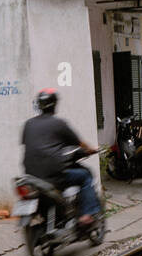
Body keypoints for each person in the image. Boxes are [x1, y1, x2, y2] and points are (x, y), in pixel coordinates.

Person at [21, 88, 100, 228]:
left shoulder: (28, 124)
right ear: (55, 105)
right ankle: (86, 215)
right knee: (86, 175)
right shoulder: (59, 124)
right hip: (54, 176)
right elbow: (79, 143)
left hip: (31, 176)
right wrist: (91, 150)